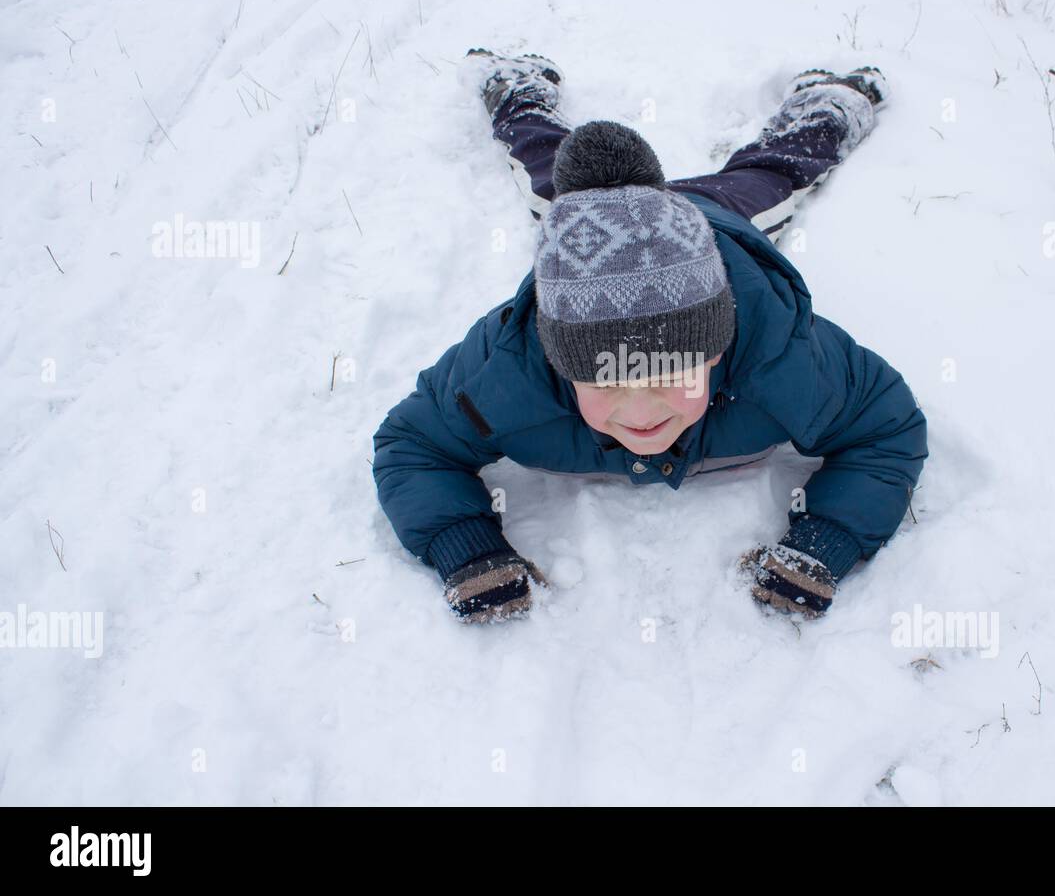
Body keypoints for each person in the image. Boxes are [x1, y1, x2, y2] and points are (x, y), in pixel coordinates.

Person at [372, 48, 928, 624]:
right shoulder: (509, 370)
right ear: (561, 363)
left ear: (717, 350)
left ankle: (832, 101)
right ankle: (517, 92)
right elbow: (413, 446)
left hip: (715, 214)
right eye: (607, 379)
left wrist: (824, 544)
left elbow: (885, 427)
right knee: (549, 168)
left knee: (774, 172)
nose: (639, 408)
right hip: (588, 239)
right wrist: (467, 546)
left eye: (671, 374)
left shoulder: (781, 356)